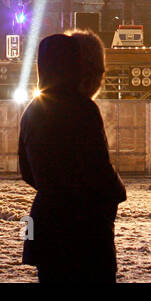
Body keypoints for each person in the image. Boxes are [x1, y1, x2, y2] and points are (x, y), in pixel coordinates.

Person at [18, 30, 126, 283]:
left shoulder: (33, 110)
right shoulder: (83, 110)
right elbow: (98, 169)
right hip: (84, 230)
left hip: (46, 223)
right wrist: (117, 191)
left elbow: (27, 172)